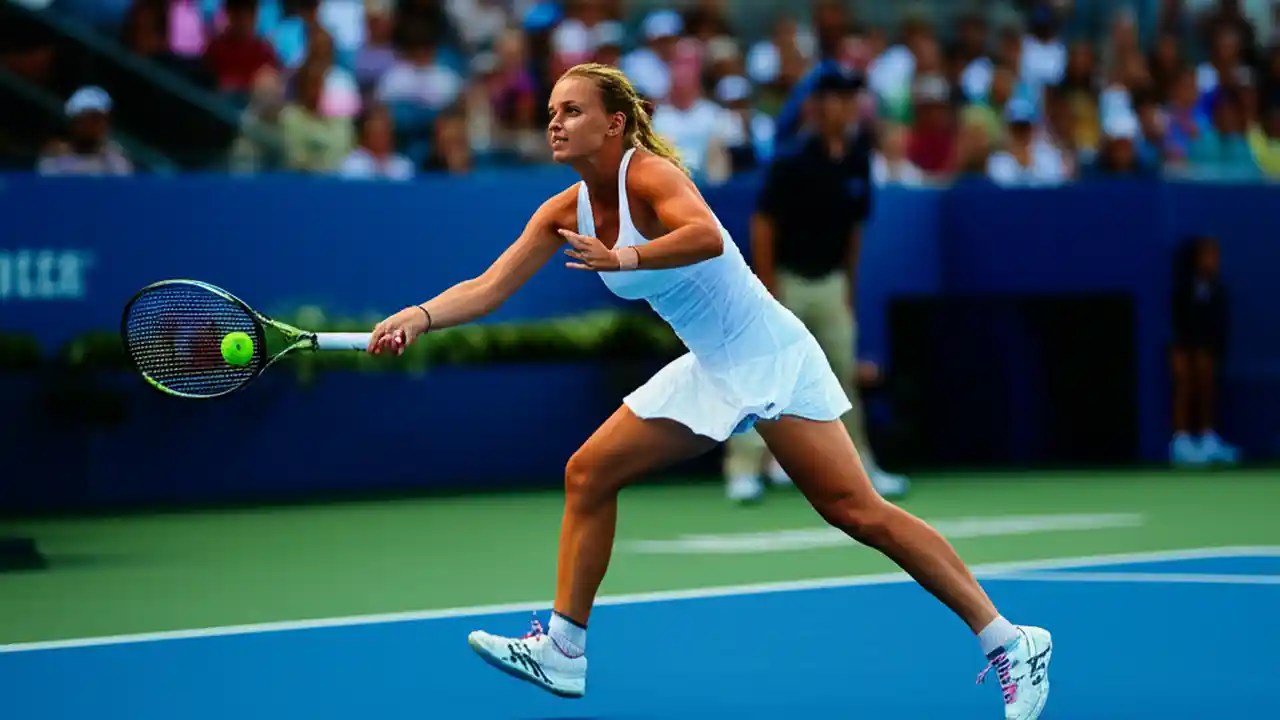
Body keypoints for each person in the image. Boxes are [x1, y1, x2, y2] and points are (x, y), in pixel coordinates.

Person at [366, 63, 1053, 719]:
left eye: (572, 111)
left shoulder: (653, 175)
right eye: (551, 113)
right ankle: (565, 650)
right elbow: (488, 287)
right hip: (708, 365)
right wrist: (417, 318)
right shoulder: (561, 211)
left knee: (857, 512)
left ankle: (1010, 642)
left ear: (613, 125)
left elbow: (702, 234)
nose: (555, 123)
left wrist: (626, 255)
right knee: (589, 473)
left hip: (767, 354)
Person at [1170, 234, 1240, 465]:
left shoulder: (1219, 291)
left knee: (1207, 383)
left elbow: (1220, 326)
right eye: (1207, 255)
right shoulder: (1182, 288)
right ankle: (1181, 442)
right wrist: (1182, 352)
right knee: (1184, 384)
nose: (1212, 260)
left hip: (1208, 352)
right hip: (1184, 349)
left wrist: (1209, 352)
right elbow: (1177, 322)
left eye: (1215, 255)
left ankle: (1208, 439)